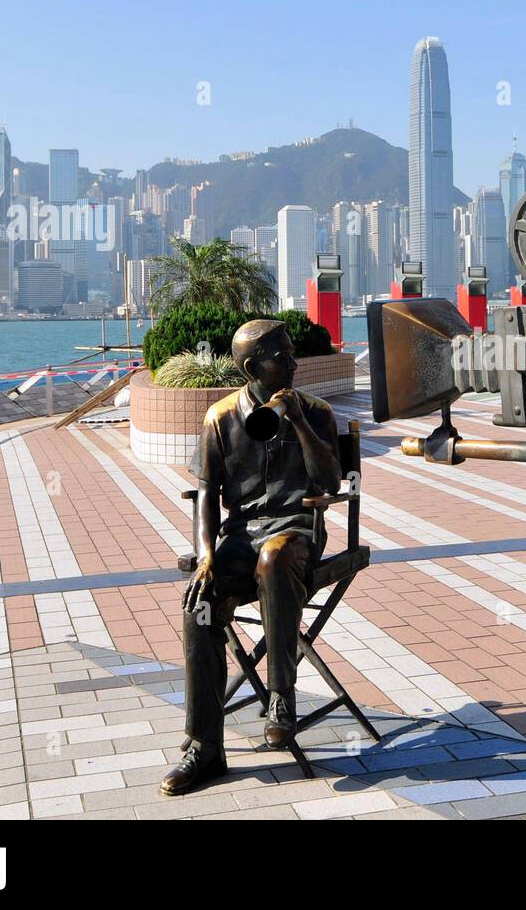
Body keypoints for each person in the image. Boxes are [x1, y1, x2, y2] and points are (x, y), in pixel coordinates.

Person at [160, 319, 341, 796]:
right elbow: (205, 492)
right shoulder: (219, 418)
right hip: (240, 538)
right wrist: (206, 556)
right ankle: (205, 746)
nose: (293, 363)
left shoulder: (317, 411)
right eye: (281, 357)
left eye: (291, 354)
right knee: (198, 604)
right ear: (250, 367)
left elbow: (330, 484)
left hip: (295, 532)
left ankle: (281, 697)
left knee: (276, 559)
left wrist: (297, 418)